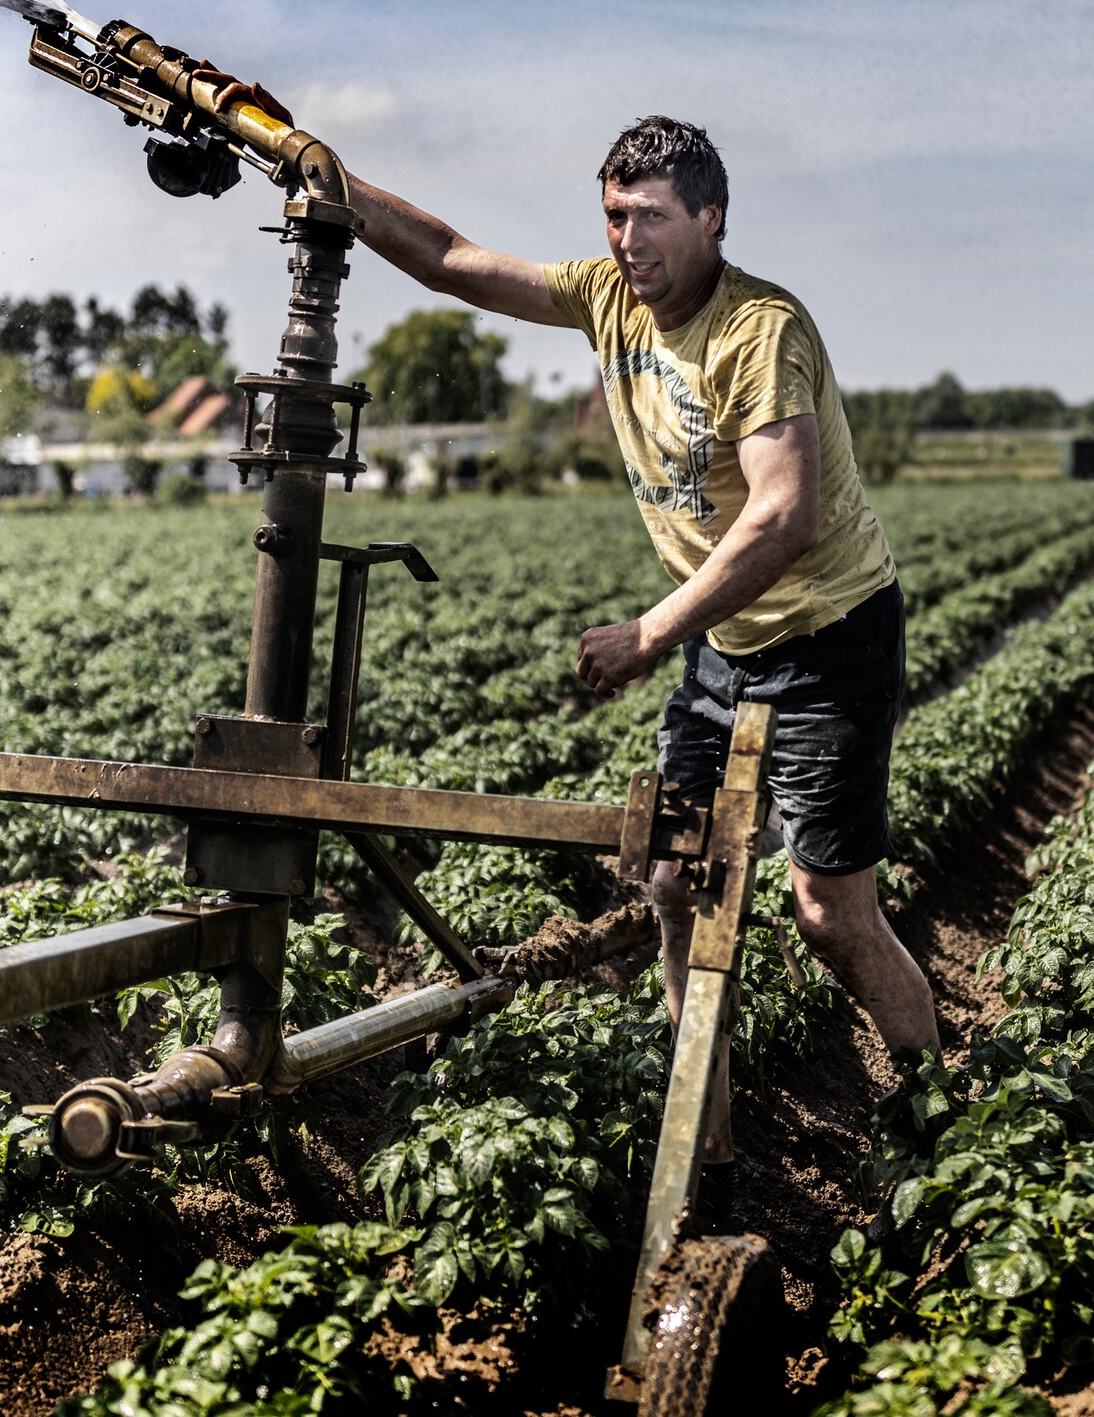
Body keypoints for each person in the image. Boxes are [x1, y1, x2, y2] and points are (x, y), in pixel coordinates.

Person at [345, 116, 940, 1217]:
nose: (627, 239)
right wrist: (335, 184)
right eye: (613, 214)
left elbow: (785, 515)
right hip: (718, 657)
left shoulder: (758, 329)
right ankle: (705, 1157)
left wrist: (650, 633)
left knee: (826, 913)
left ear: (711, 219)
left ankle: (938, 1117)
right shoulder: (606, 296)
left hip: (827, 646)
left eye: (651, 216)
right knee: (671, 879)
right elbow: (449, 260)